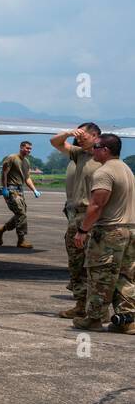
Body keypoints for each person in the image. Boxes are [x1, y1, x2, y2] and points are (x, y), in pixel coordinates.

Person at [71, 133, 135, 333]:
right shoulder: (126, 169)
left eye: (96, 146)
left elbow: (97, 205)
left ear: (105, 150)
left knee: (100, 274)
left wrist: (82, 230)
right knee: (125, 277)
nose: (92, 149)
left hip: (109, 232)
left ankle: (94, 319)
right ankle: (127, 320)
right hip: (130, 230)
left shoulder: (104, 172)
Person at [50, 123, 102, 317]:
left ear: (96, 136)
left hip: (95, 214)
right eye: (77, 136)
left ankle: (97, 307)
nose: (79, 139)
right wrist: (67, 133)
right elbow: (55, 142)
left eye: (83, 136)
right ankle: (82, 304)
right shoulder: (79, 154)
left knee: (98, 264)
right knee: (76, 262)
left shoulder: (103, 158)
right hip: (77, 214)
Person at [0, 141, 38, 248]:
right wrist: (5, 189)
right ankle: (21, 240)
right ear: (21, 147)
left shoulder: (26, 162)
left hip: (20, 191)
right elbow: (4, 173)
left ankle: (1, 229)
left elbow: (27, 178)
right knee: (21, 214)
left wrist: (34, 190)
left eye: (30, 149)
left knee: (20, 215)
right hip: (11, 190)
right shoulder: (12, 158)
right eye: (27, 148)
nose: (29, 150)